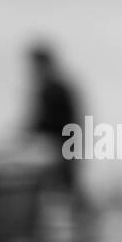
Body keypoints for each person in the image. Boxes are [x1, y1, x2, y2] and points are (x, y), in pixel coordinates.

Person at [25, 43, 84, 204]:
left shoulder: (53, 90)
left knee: (60, 198)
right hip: (63, 153)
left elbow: (43, 125)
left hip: (58, 154)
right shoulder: (56, 88)